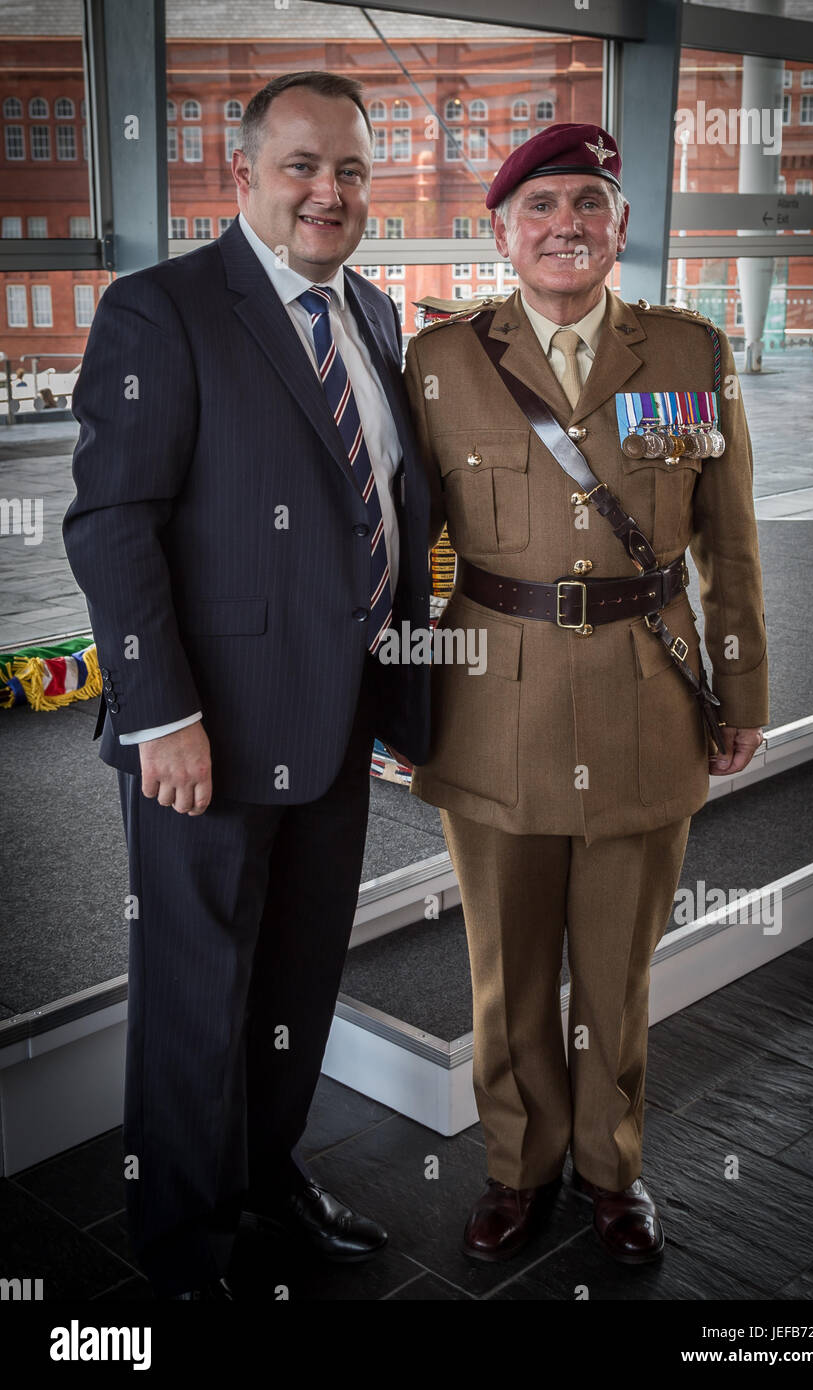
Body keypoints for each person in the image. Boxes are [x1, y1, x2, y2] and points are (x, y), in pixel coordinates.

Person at [63, 71, 430, 1300]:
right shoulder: (159, 310)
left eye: (350, 172)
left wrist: (409, 699)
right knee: (195, 994)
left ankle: (270, 1183)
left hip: (336, 727)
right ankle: (185, 1250)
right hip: (205, 738)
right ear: (241, 176)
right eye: (300, 166)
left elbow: (386, 517)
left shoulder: (374, 313)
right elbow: (115, 525)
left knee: (295, 979)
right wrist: (159, 712)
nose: (327, 192)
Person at [403, 123, 767, 1265]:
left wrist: (741, 686)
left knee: (614, 970)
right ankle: (519, 1171)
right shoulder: (439, 362)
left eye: (589, 204)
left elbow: (729, 544)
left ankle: (614, 1176)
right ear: (500, 232)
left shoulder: (687, 356)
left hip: (644, 697)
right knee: (505, 971)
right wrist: (397, 699)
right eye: (540, 204)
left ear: (618, 227)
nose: (566, 223)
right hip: (488, 705)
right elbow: (406, 552)